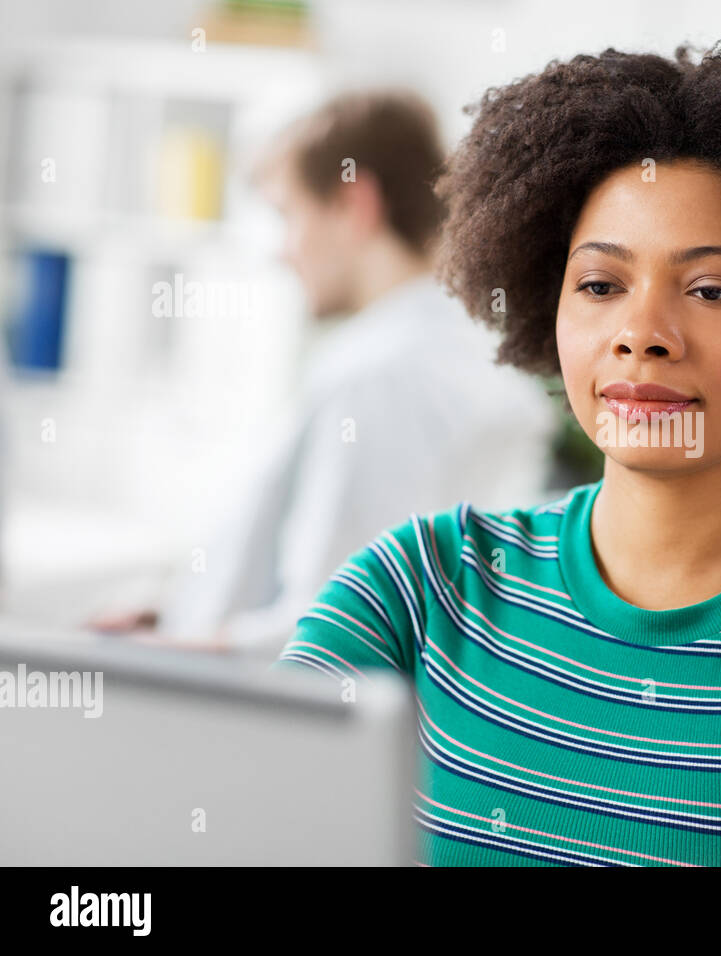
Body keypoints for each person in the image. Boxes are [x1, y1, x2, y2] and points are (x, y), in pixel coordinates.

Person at [274, 22, 721, 866]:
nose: (641, 333)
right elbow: (253, 822)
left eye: (711, 288)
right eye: (599, 284)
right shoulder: (415, 588)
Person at [89, 90, 556, 658]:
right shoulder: (470, 355)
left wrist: (163, 652)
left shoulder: (379, 375)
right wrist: (175, 615)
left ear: (352, 203)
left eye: (288, 215)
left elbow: (338, 628)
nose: (282, 252)